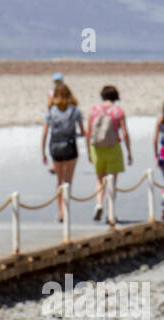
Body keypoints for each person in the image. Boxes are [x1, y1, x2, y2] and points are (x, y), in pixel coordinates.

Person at [41, 81, 85, 222]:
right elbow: (83, 132)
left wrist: (43, 152)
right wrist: (75, 134)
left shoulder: (51, 111)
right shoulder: (74, 110)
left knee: (59, 180)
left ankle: (60, 211)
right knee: (68, 180)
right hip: (70, 145)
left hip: (55, 146)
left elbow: (45, 132)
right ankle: (66, 209)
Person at [87, 85, 132, 223]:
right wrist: (129, 151)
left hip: (97, 148)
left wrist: (89, 150)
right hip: (113, 147)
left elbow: (88, 132)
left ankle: (99, 204)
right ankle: (110, 213)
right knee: (112, 180)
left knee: (100, 178)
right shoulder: (118, 111)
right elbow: (124, 132)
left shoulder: (94, 110)